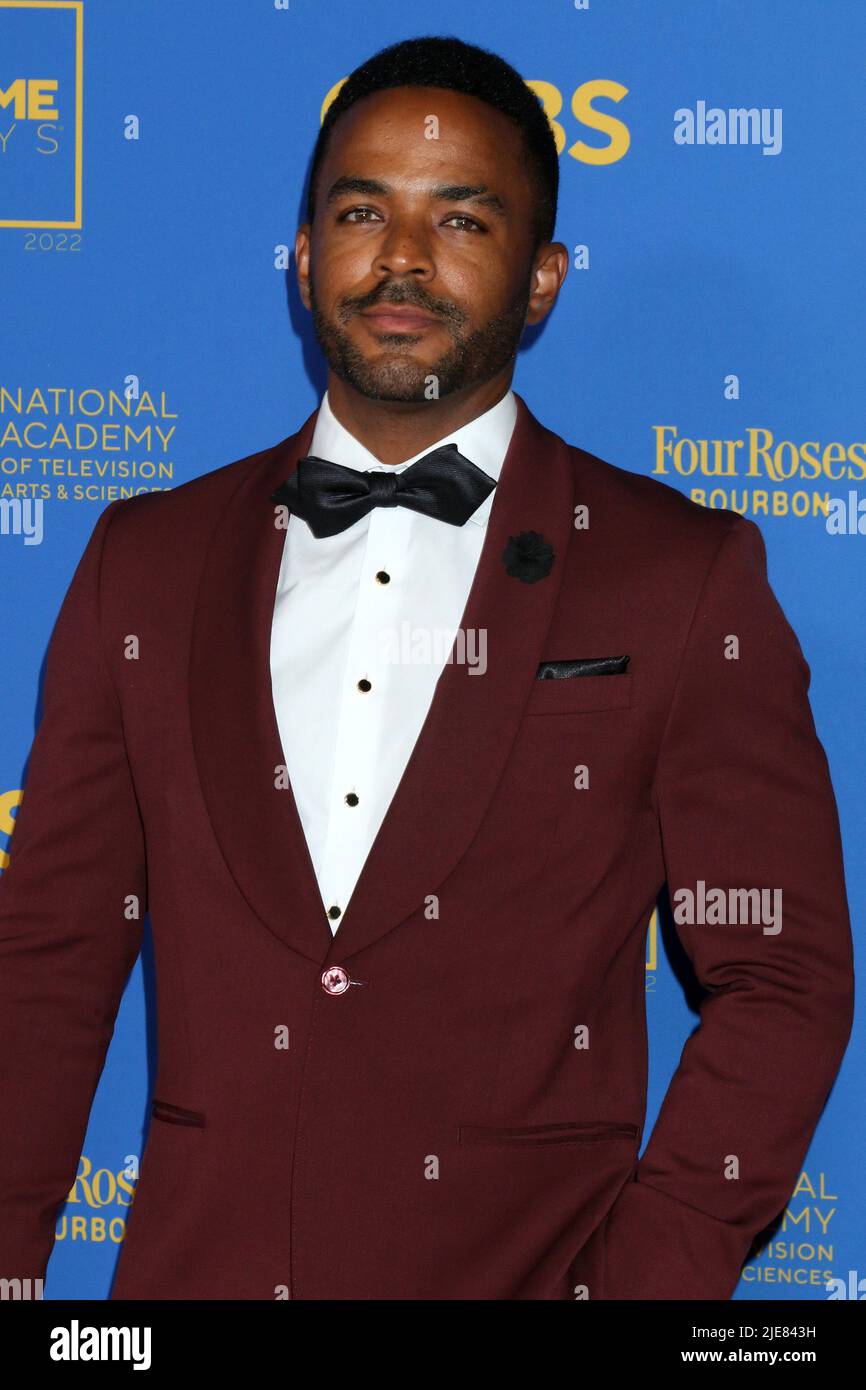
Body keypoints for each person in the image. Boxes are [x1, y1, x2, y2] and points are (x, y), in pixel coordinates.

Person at [0, 35, 853, 1301]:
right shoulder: (147, 562)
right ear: (301, 258)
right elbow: (51, 964)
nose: (399, 259)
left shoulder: (678, 579)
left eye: (459, 219)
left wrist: (643, 1284)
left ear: (545, 278)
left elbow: (779, 976)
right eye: (360, 212)